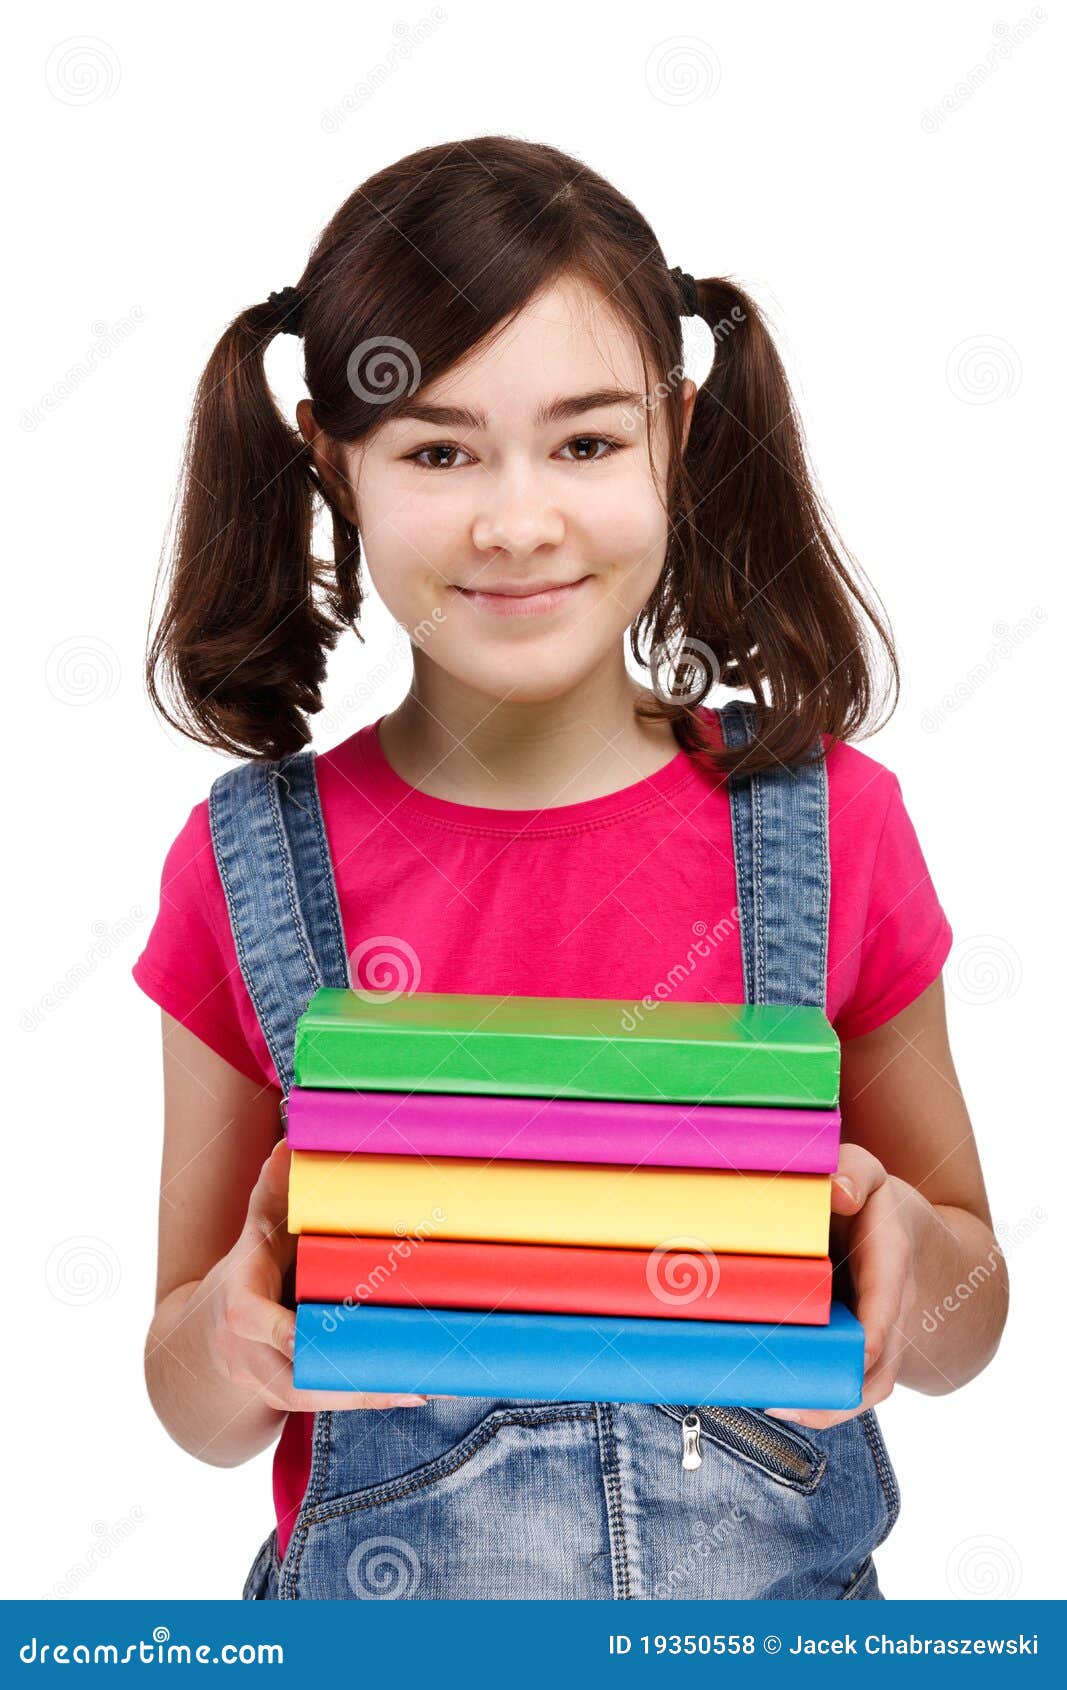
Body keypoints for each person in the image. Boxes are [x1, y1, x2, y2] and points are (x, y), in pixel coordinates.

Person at [133, 134, 1008, 1600]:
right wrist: (232, 1332)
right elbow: (187, 1391)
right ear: (331, 460)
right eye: (438, 451)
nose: (519, 519)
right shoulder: (253, 868)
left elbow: (974, 1307)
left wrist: (918, 1262)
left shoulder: (831, 827)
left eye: (587, 443)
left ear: (678, 431)